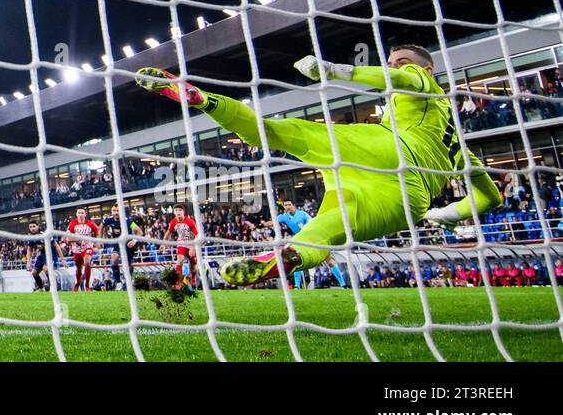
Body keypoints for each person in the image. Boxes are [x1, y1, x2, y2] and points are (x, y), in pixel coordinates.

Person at [137, 44, 502, 286]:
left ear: (428, 69)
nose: (393, 68)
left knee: (271, 132)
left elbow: (401, 78)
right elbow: (490, 199)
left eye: (401, 61)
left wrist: (336, 71)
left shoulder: (424, 85)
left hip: (387, 149)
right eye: (389, 62)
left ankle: (203, 100)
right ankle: (289, 256)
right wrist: (443, 215)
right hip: (408, 202)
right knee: (326, 229)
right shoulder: (456, 146)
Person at [65, 207, 100, 292]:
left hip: (87, 247)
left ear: (85, 214)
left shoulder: (90, 223)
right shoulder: (72, 223)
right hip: (76, 249)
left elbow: (98, 232)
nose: (81, 214)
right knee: (78, 268)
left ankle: (87, 285)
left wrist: (97, 245)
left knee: (87, 262)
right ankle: (77, 283)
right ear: (76, 214)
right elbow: (68, 239)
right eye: (79, 213)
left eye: (82, 213)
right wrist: (78, 240)